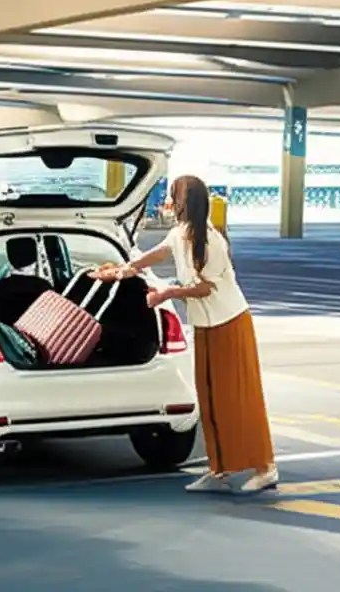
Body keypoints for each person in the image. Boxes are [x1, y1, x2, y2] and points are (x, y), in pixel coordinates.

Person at [90, 175, 277, 493]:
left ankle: (265, 466)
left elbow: (206, 287)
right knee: (210, 398)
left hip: (229, 323)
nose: (170, 201)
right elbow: (157, 254)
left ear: (189, 202)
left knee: (239, 398)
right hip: (205, 325)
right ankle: (219, 469)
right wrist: (121, 271)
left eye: (175, 196)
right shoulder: (180, 233)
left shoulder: (211, 240)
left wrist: (166, 294)